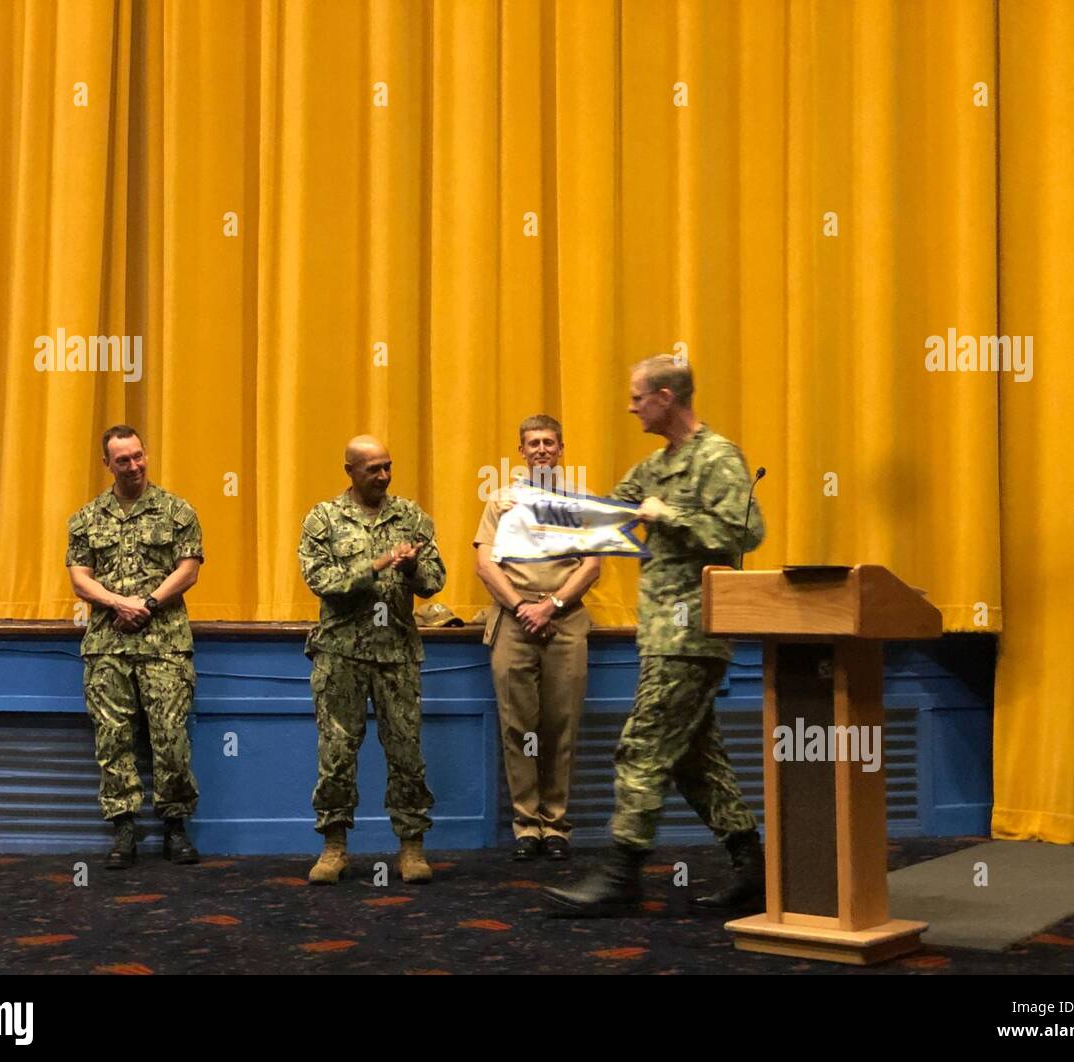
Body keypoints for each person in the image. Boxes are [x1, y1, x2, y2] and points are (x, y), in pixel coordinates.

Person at [544, 356, 766, 916]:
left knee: (641, 747)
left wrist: (669, 515)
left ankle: (621, 875)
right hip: (661, 632)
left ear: (666, 397)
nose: (631, 405)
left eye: (638, 396)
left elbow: (746, 533)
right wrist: (535, 506)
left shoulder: (718, 458)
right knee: (693, 759)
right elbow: (609, 513)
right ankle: (753, 867)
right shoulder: (654, 466)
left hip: (694, 631)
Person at [299, 435, 446, 885]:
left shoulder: (411, 517)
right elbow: (321, 580)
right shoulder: (323, 519)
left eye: (387, 466)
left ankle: (412, 847)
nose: (382, 476)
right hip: (340, 653)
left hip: (396, 653)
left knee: (406, 753)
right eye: (372, 469)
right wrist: (378, 565)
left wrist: (412, 569)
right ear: (350, 471)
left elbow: (435, 580)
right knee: (337, 754)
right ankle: (334, 847)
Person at [66, 425, 204, 870]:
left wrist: (146, 604)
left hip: (165, 644)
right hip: (108, 646)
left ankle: (175, 828)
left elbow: (189, 569)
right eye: (123, 460)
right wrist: (116, 602)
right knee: (113, 740)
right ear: (107, 464)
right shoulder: (86, 518)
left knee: (171, 738)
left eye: (139, 456)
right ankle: (123, 830)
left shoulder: (176, 510)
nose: (134, 466)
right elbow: (79, 577)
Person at [474, 415, 602, 861]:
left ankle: (556, 826)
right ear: (522, 452)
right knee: (518, 726)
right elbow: (485, 564)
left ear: (561, 448)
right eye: (533, 443)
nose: (542, 449)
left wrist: (552, 606)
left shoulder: (581, 503)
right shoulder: (501, 501)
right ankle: (526, 825)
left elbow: (591, 566)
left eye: (549, 442)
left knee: (560, 726)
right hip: (514, 620)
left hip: (564, 621)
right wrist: (522, 607)